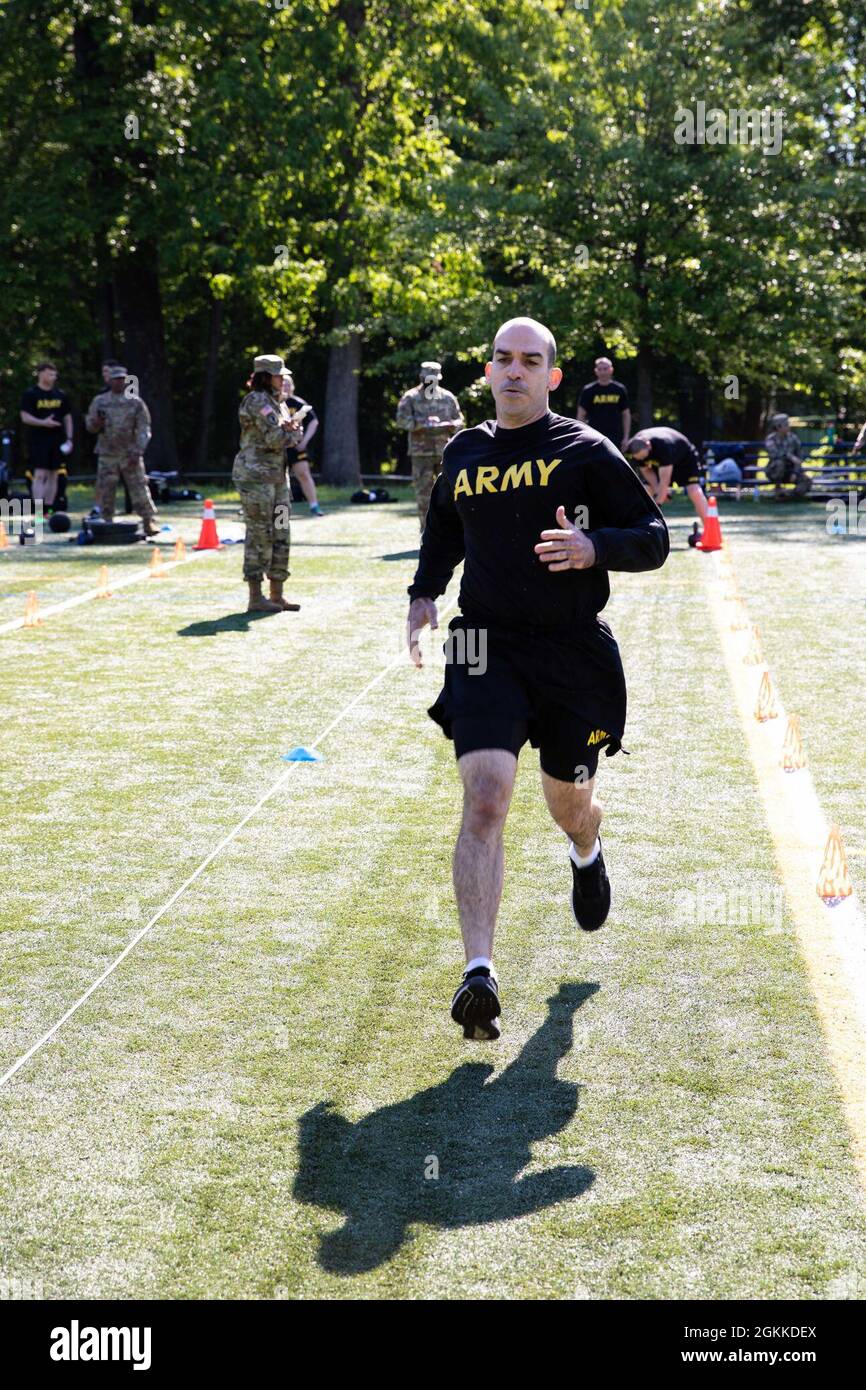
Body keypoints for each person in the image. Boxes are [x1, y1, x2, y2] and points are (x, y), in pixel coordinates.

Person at [406, 317, 669, 1041]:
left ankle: (587, 848)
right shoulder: (463, 451)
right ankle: (479, 975)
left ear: (554, 377)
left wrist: (594, 547)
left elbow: (654, 540)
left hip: (571, 654)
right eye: (502, 359)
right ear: (487, 372)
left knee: (567, 801)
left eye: (530, 361)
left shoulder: (586, 450)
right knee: (486, 798)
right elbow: (443, 530)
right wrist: (423, 593)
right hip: (483, 643)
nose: (514, 371)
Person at [232, 354, 303, 613]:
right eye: (278, 375)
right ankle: (256, 596)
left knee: (281, 532)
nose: (283, 379)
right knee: (260, 534)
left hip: (277, 478)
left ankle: (277, 594)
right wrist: (290, 431)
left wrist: (291, 430)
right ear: (265, 376)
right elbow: (276, 438)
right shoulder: (256, 401)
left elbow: (294, 436)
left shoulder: (278, 403)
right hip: (255, 479)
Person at [84, 366, 159, 536]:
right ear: (109, 381)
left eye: (122, 379)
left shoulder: (135, 403)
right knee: (106, 489)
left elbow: (143, 428)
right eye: (115, 379)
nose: (119, 382)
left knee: (139, 488)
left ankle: (148, 521)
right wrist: (96, 423)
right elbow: (90, 426)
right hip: (107, 453)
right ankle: (106, 522)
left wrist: (138, 450)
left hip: (130, 453)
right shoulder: (100, 401)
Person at [396, 361, 464, 530]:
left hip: (444, 453)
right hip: (421, 453)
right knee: (424, 496)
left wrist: (450, 424)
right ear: (421, 377)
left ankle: (449, 533)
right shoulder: (411, 397)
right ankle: (427, 533)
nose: (430, 382)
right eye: (428, 379)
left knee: (449, 494)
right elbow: (401, 420)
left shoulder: (448, 397)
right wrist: (421, 424)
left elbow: (460, 420)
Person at [624, 426, 710, 533]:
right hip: (661, 463)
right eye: (640, 458)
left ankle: (710, 530)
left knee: (694, 491)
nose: (643, 460)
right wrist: (657, 491)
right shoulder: (634, 447)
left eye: (643, 457)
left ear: (649, 445)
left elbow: (665, 481)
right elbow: (646, 470)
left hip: (684, 460)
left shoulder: (663, 446)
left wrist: (658, 504)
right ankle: (637, 528)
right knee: (647, 489)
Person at [19, 362, 74, 510]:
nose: (53, 377)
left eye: (54, 374)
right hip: (38, 440)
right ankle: (37, 511)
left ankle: (48, 510)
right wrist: (43, 422)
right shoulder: (31, 394)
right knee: (40, 474)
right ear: (41, 374)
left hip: (57, 440)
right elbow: (25, 417)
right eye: (50, 374)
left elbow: (67, 418)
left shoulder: (60, 395)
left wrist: (69, 438)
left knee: (54, 475)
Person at [281, 372, 323, 515]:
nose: (285, 386)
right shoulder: (273, 402)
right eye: (283, 383)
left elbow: (314, 421)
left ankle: (314, 506)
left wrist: (304, 441)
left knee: (304, 474)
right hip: (277, 448)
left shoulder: (298, 403)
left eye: (288, 384)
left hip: (295, 447)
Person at [576, 357, 631, 450]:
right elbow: (581, 415)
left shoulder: (619, 389)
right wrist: (581, 436)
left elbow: (626, 415)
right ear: (596, 371)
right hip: (593, 436)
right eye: (600, 369)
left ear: (611, 370)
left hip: (616, 437)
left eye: (605, 369)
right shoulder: (588, 390)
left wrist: (626, 438)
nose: (603, 372)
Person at [763, 414, 812, 499]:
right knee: (779, 463)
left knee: (807, 481)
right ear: (778, 427)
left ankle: (787, 495)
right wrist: (790, 457)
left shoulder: (793, 438)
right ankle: (778, 488)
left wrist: (795, 472)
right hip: (775, 472)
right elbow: (775, 454)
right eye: (786, 425)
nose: (789, 426)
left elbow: (799, 457)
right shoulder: (770, 439)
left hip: (791, 471)